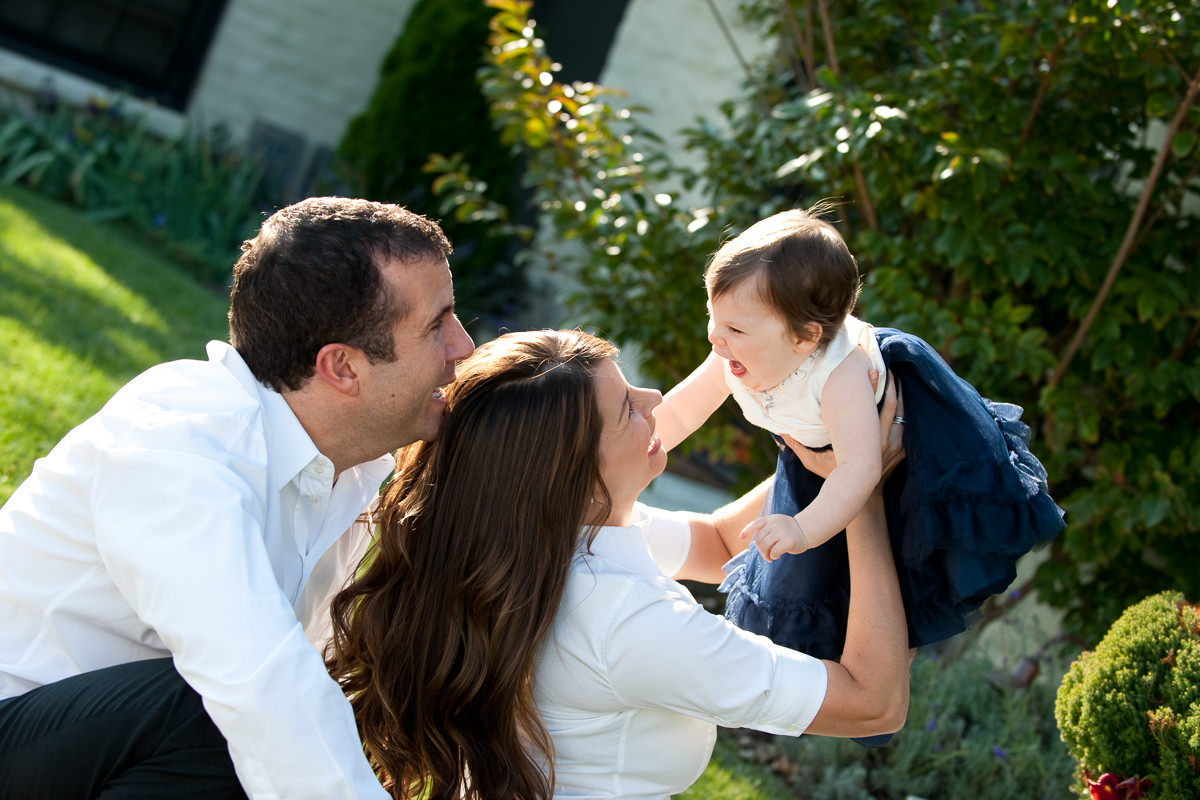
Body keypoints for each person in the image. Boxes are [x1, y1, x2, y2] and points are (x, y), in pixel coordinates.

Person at [0, 197, 474, 798]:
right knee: (216, 712)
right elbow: (260, 683)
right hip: (19, 722)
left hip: (95, 751)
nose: (463, 346)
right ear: (343, 368)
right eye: (438, 324)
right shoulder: (180, 446)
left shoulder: (346, 471)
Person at [325, 329, 910, 800]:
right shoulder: (630, 623)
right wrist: (864, 496)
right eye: (628, 409)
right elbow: (871, 703)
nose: (656, 402)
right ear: (574, 480)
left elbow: (723, 543)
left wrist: (833, 448)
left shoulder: (536, 541)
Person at [652, 207, 1065, 722]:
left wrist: (802, 527)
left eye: (733, 327)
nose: (716, 338)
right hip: (831, 460)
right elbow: (680, 410)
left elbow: (859, 471)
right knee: (812, 581)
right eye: (712, 318)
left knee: (899, 565)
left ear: (804, 338)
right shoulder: (734, 352)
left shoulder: (840, 374)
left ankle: (891, 657)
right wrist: (638, 446)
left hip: (900, 462)